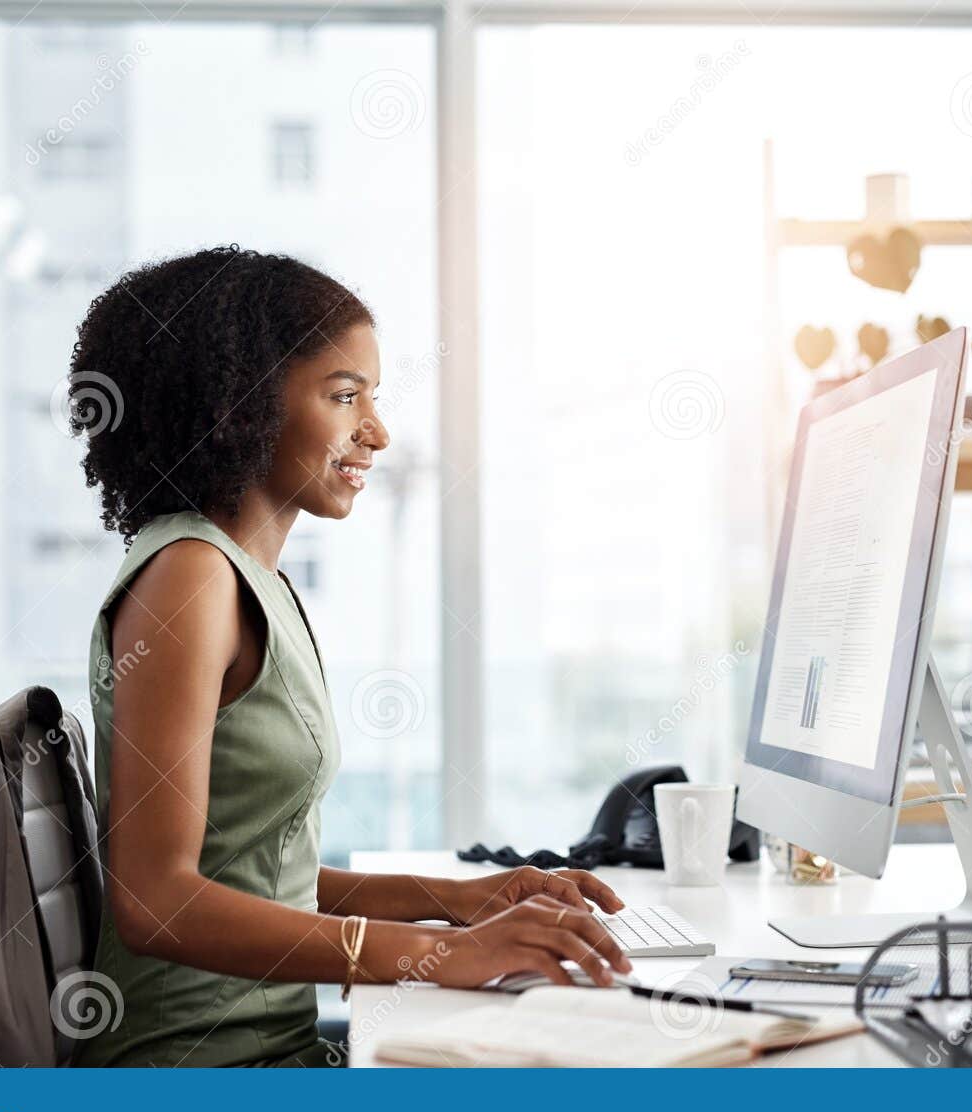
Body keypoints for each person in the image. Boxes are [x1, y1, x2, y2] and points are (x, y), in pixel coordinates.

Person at [66, 246, 629, 1067]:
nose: (378, 431)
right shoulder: (188, 579)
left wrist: (459, 902)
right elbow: (156, 901)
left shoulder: (252, 581)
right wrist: (439, 954)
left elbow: (258, 874)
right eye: (343, 397)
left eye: (373, 398)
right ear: (242, 406)